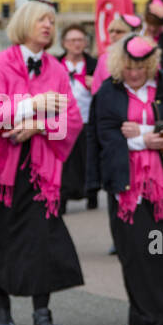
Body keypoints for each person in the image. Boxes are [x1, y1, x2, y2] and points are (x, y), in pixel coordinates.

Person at [0, 0, 84, 325]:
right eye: (41, 20)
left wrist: (38, 127)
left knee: (42, 237)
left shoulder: (56, 69)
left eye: (51, 20)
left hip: (40, 168)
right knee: (3, 234)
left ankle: (42, 316)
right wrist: (33, 105)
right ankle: (1, 299)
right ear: (24, 24)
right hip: (0, 166)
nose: (48, 26)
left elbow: (72, 120)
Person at [93, 35, 163, 325]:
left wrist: (143, 133)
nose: (135, 73)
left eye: (140, 67)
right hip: (128, 190)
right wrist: (143, 141)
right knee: (138, 255)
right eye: (128, 67)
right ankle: (141, 316)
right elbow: (105, 136)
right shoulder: (108, 93)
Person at [89, 10, 145, 254]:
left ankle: (145, 236)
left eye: (118, 31)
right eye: (111, 31)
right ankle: (119, 237)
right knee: (116, 187)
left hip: (139, 130)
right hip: (114, 132)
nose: (112, 35)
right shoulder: (104, 59)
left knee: (142, 186)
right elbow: (97, 96)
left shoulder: (147, 57)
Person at [55, 24, 98, 211]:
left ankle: (91, 194)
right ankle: (62, 197)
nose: (76, 44)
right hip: (62, 121)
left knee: (88, 158)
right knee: (64, 161)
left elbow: (106, 91)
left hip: (87, 119)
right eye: (72, 40)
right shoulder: (55, 65)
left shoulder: (94, 65)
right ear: (64, 43)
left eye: (80, 40)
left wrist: (95, 86)